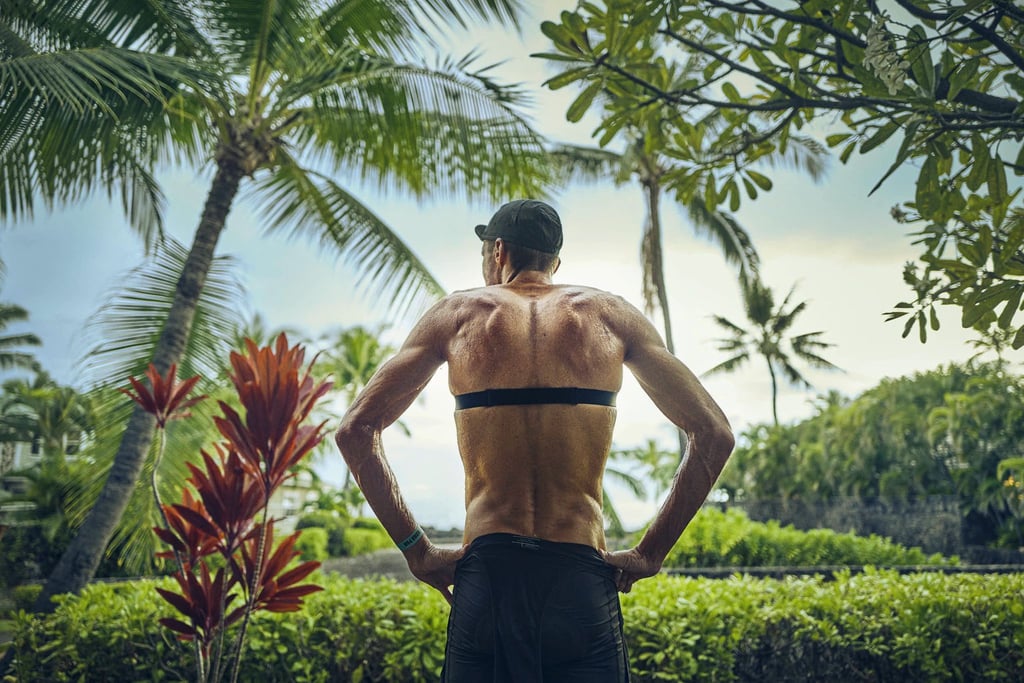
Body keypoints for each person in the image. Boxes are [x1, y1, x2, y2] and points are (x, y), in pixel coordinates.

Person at [335, 199, 735, 682]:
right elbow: (714, 434)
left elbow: (355, 431)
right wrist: (651, 552)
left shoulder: (456, 315)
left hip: (489, 575)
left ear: (498, 251)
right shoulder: (611, 316)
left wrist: (417, 550)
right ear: (555, 264)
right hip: (580, 577)